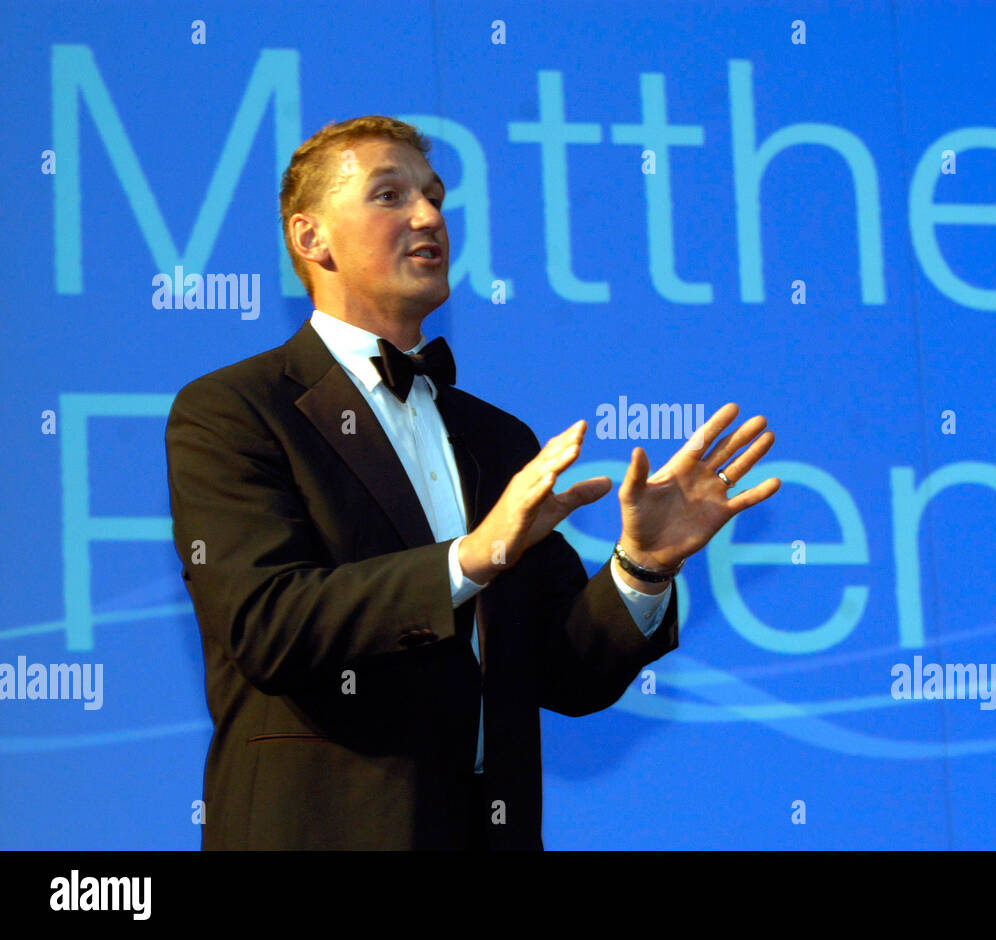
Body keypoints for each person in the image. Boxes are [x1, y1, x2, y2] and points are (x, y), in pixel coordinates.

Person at [164, 115, 780, 850]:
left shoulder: (497, 436)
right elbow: (267, 626)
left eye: (433, 196)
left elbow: (567, 674)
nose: (428, 215)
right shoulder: (233, 410)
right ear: (310, 239)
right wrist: (470, 558)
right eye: (389, 196)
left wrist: (642, 568)